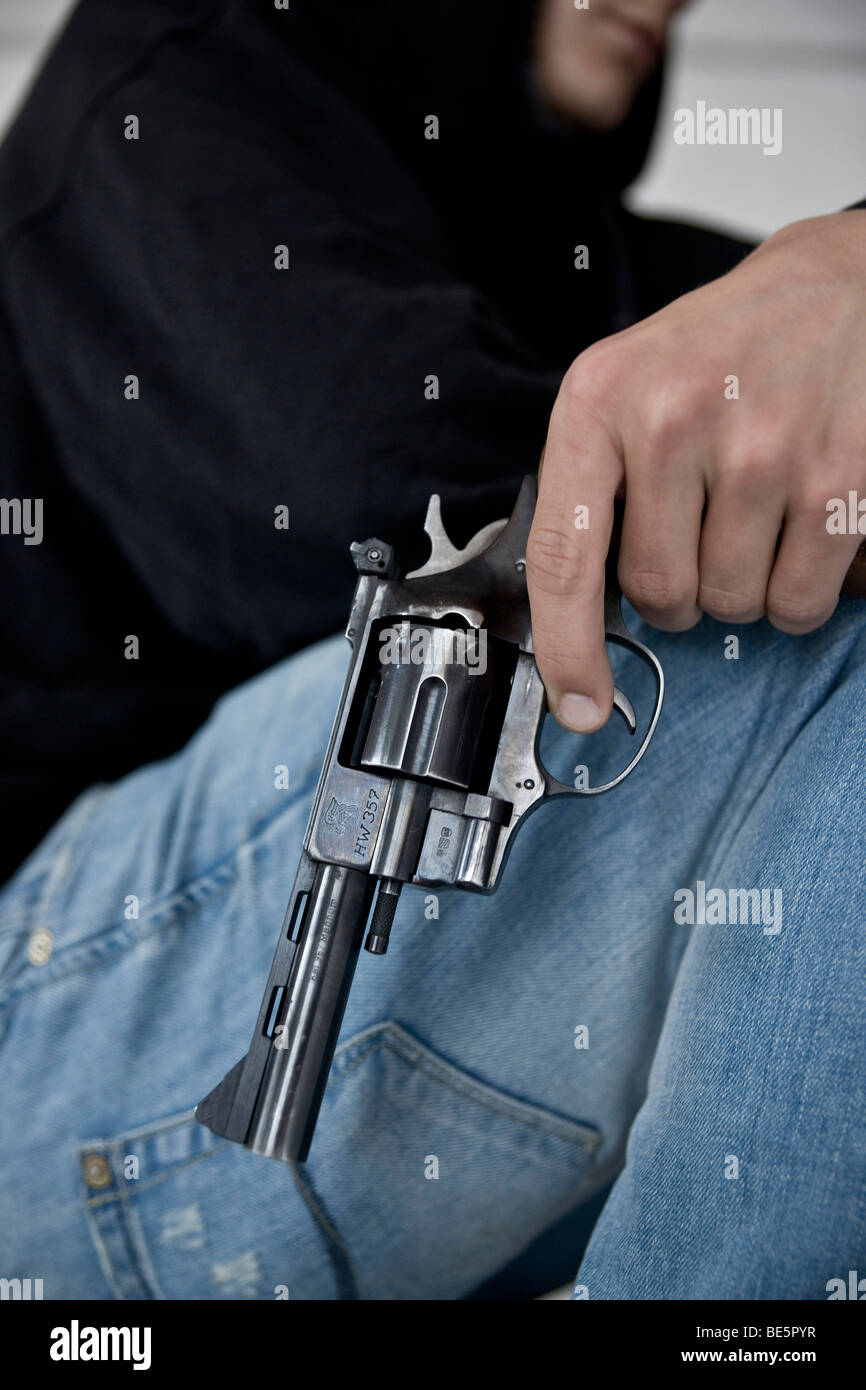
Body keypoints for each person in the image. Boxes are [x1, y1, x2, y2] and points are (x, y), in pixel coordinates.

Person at [0, 0, 863, 1300]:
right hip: (55, 1024)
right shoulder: (177, 55)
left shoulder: (601, 258)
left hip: (348, 1053)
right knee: (793, 646)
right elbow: (388, 501)